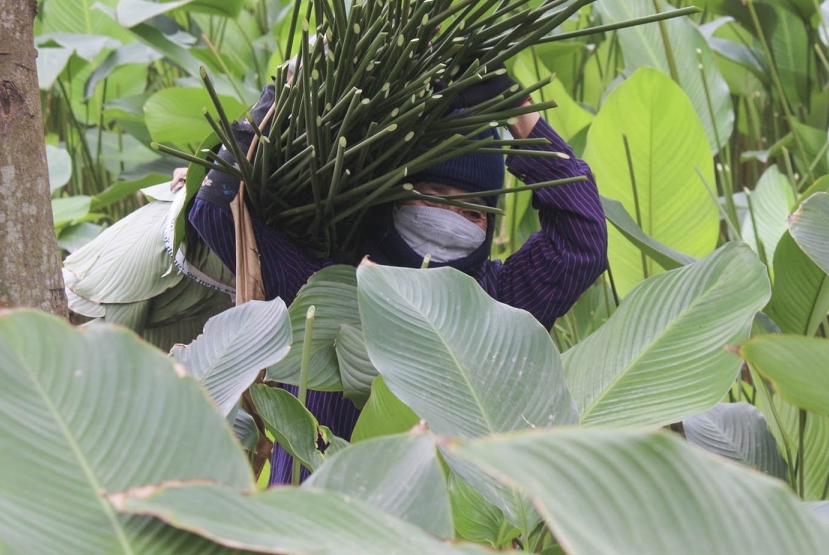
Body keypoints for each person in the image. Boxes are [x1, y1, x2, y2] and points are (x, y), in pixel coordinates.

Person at [183, 88, 607, 484]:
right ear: (394, 197)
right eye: (434, 195)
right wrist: (277, 104)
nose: (450, 218)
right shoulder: (327, 285)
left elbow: (582, 241)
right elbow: (217, 212)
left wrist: (520, 113)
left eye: (473, 210)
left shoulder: (496, 301)